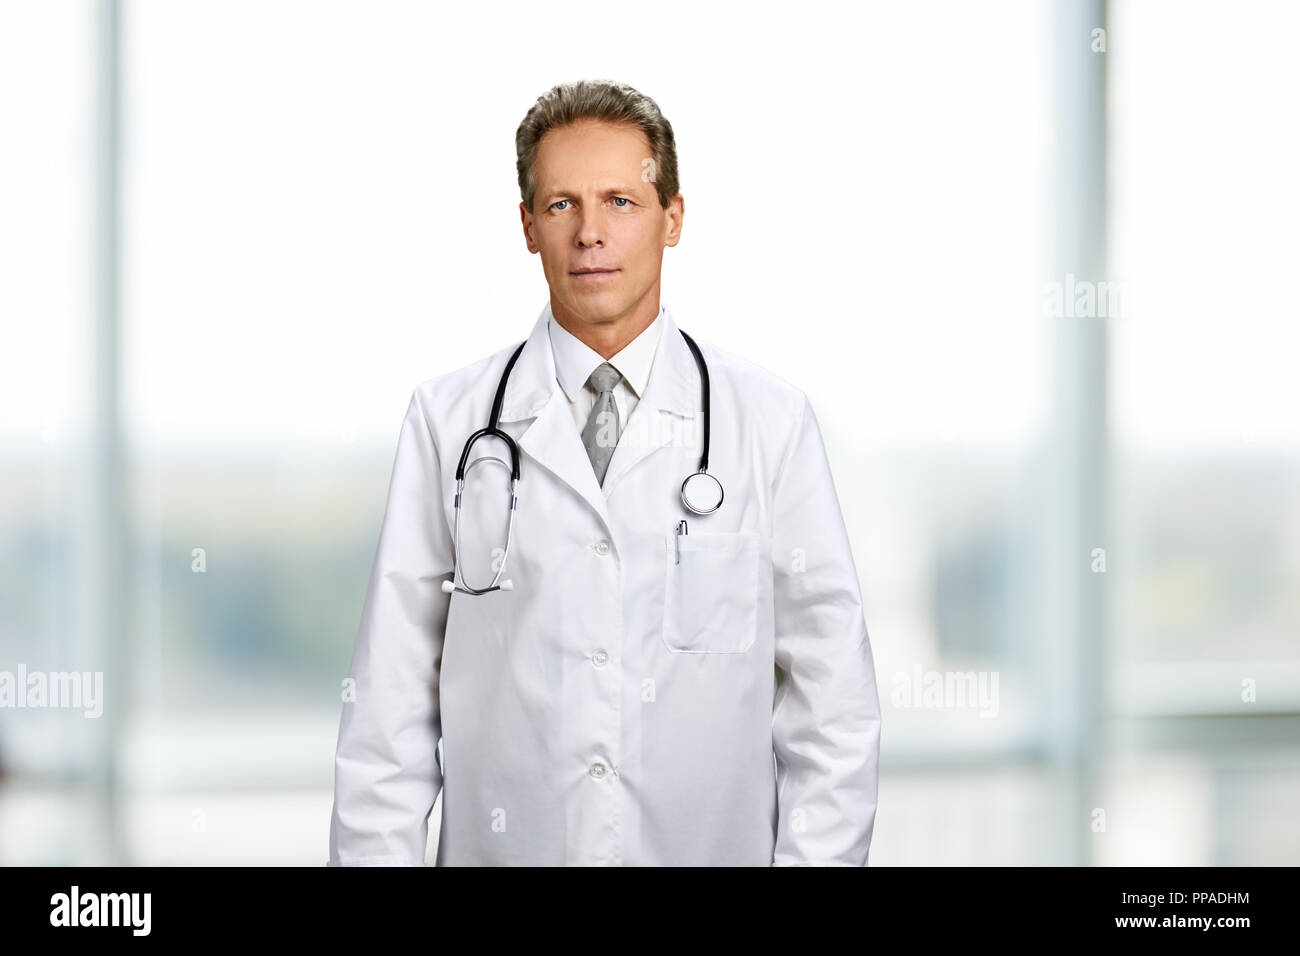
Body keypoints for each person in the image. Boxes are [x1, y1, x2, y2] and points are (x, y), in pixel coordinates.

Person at [328, 78, 881, 866]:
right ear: (528, 226)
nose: (590, 233)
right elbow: (388, 716)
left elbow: (835, 710)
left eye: (621, 201)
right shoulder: (447, 423)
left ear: (673, 217)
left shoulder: (769, 423)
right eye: (562, 205)